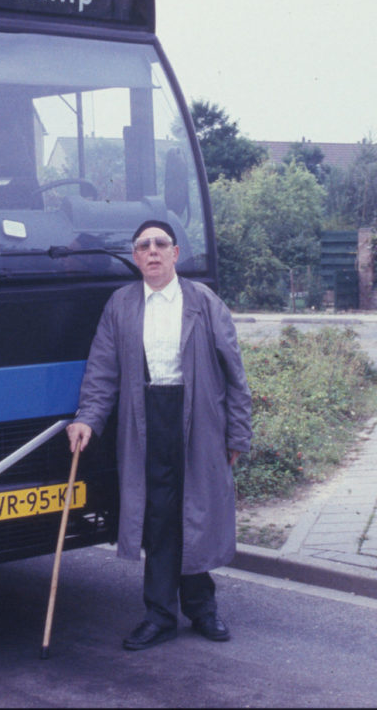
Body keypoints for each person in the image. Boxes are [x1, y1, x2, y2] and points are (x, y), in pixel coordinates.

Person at [66, 219, 252, 651]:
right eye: (143, 246)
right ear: (135, 258)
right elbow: (102, 371)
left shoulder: (204, 302)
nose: (152, 251)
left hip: (199, 421)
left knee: (197, 512)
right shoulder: (121, 305)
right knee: (159, 515)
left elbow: (235, 374)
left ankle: (203, 609)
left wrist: (237, 434)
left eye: (160, 244)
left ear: (175, 253)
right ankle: (159, 614)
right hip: (145, 419)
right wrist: (87, 420)